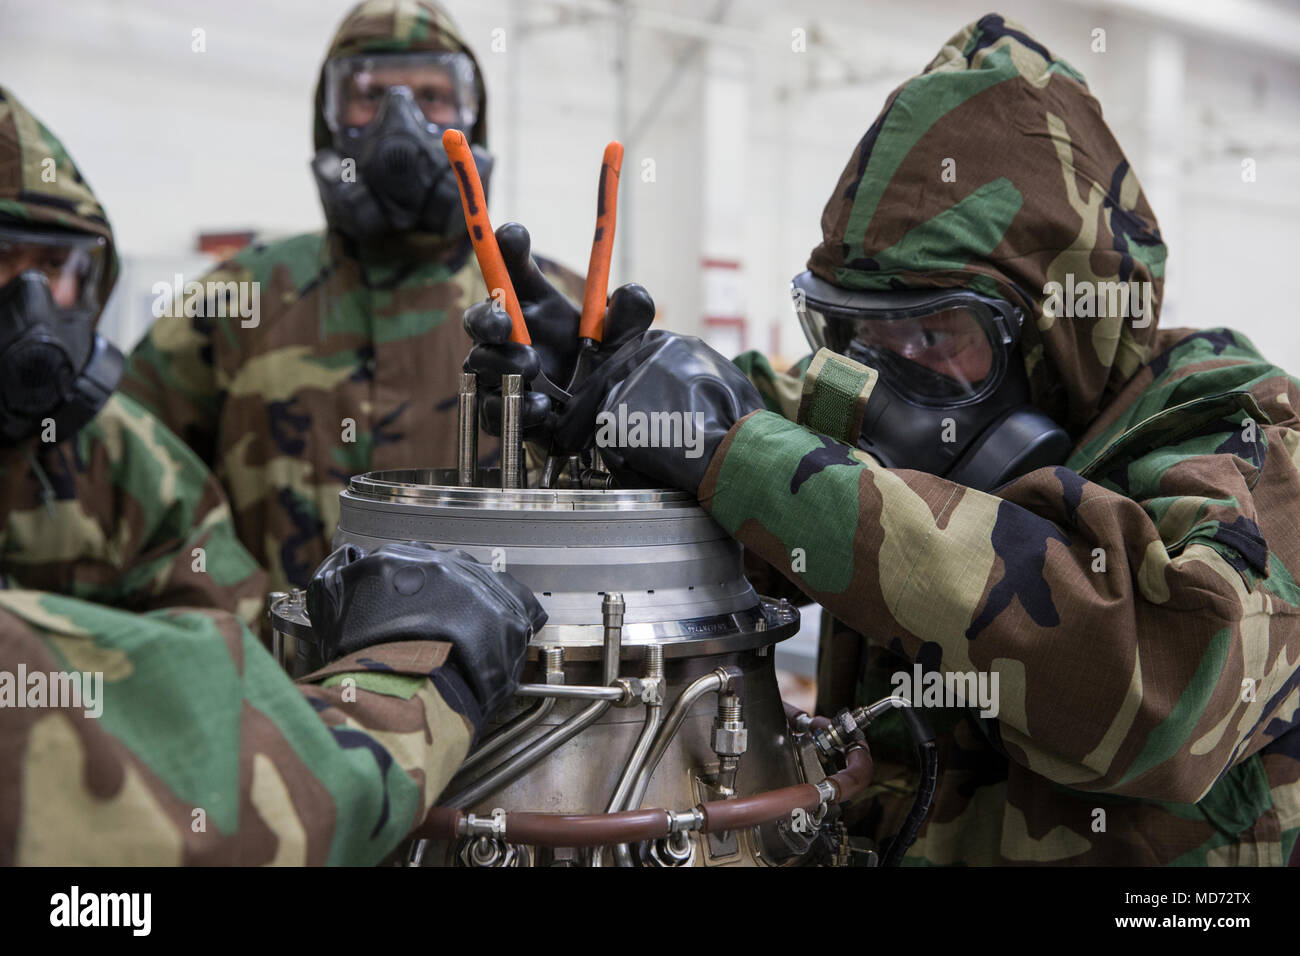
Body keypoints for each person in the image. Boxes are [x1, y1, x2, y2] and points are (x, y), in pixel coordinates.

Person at [465, 15, 1300, 865]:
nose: (882, 380)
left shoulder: (1237, 427)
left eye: (937, 334)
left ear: (1054, 343)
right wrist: (605, 383)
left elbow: (1168, 685)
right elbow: (746, 411)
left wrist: (742, 456)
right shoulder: (870, 399)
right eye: (855, 332)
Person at [0, 85, 542, 865]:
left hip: (479, 740)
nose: (27, 308)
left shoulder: (107, 459)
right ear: (323, 114)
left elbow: (225, 664)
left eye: (52, 265)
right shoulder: (237, 301)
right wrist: (418, 686)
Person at [122, 0, 584, 595]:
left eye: (432, 96)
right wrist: (241, 634)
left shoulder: (551, 312)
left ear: (473, 121)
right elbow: (125, 486)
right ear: (330, 121)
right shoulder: (236, 302)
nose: (401, 120)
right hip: (287, 680)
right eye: (368, 95)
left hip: (503, 682)